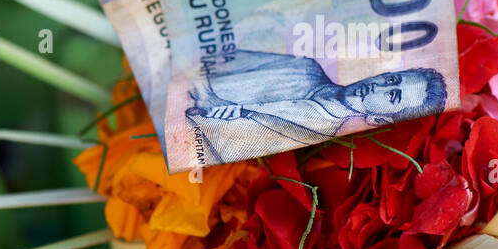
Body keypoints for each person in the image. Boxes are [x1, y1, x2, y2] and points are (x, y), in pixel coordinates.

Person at [185, 49, 447, 162]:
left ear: (380, 120)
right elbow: (204, 60)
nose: (378, 87)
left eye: (393, 96)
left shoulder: (312, 143)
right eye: (390, 79)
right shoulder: (303, 68)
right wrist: (205, 94)